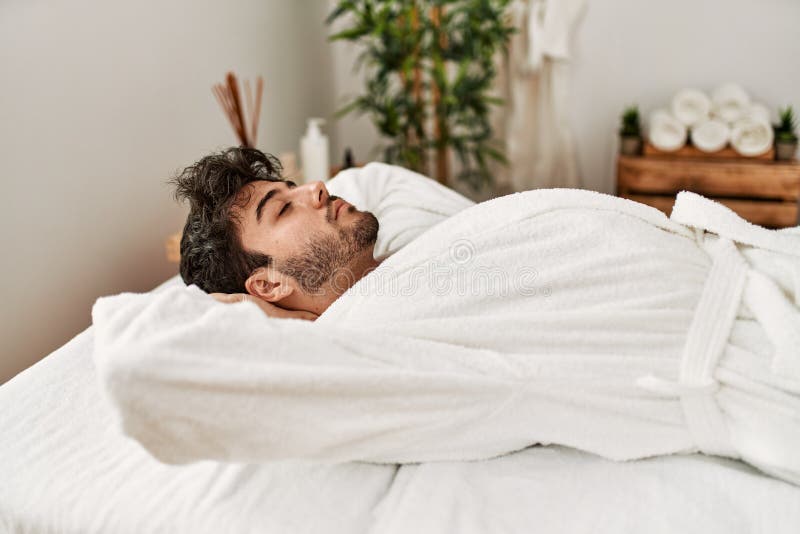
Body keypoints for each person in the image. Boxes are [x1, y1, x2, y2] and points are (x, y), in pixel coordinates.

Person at [92, 147, 800, 485]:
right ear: (269, 284)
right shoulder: (365, 344)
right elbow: (143, 358)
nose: (318, 187)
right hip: (761, 352)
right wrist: (247, 311)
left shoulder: (403, 249)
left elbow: (376, 176)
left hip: (764, 270)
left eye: (295, 184)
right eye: (284, 208)